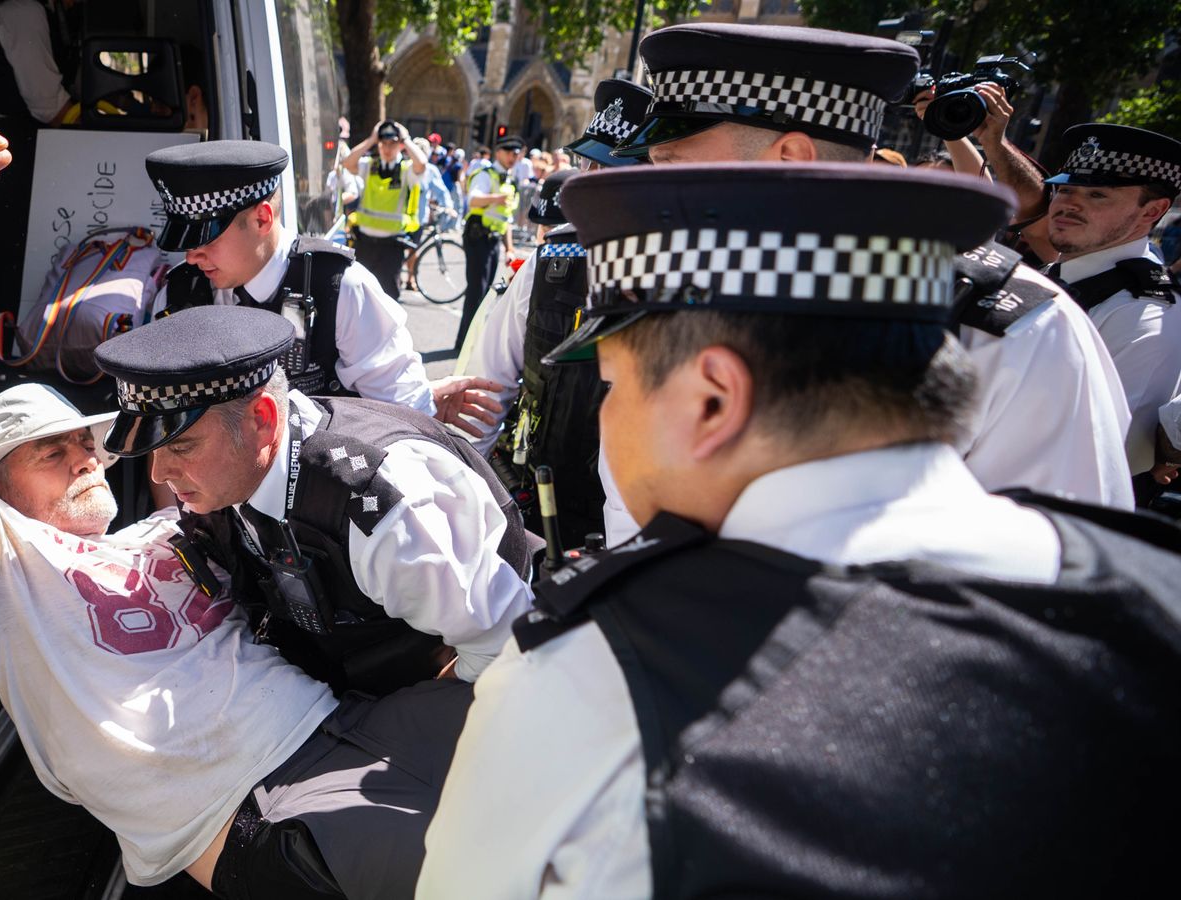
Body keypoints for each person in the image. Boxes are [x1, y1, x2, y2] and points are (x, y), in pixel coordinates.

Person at [421, 160, 1181, 899]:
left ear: (714, 399)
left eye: (611, 385)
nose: (603, 416)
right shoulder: (1154, 590)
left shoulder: (591, 677)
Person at [0, 123, 474, 900]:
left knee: (563, 764)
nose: (86, 455)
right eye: (50, 452)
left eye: (89, 441)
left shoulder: (176, 524)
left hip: (350, 714)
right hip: (268, 805)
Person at [613, 22, 1133, 509]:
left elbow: (1069, 573)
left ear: (790, 158)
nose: (649, 189)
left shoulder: (1018, 331)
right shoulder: (677, 288)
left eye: (671, 165)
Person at [93, 306, 535, 696]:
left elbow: (503, 646)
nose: (159, 474)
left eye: (182, 446)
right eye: (154, 449)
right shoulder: (235, 468)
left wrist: (410, 720)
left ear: (262, 421)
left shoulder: (381, 510)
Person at [146, 140, 502, 436]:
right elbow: (161, 424)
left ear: (261, 218)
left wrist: (421, 405)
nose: (192, 256)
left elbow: (402, 418)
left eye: (206, 239)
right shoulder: (180, 293)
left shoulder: (341, 288)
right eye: (187, 242)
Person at [456, 77, 657, 549]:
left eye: (605, 172)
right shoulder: (550, 264)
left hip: (632, 542)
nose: (584, 187)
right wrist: (469, 517)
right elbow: (486, 394)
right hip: (538, 517)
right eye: (585, 167)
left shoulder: (680, 283)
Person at [1043, 123, 1181, 504]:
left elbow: (1096, 460)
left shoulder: (1143, 315)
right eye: (1066, 188)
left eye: (1098, 194)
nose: (1069, 203)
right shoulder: (1054, 276)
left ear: (1152, 211)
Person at [338, 119, 431, 298]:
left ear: (400, 145)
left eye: (393, 143)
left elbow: (422, 164)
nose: (387, 149)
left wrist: (407, 140)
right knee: (358, 297)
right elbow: (348, 163)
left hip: (391, 247)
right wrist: (372, 139)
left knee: (388, 297)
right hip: (364, 243)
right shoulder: (369, 165)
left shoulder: (405, 170)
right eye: (384, 143)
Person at [459, 135, 524, 349]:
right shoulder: (486, 175)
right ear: (498, 153)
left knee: (486, 291)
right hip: (478, 237)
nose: (513, 157)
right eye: (508, 153)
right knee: (476, 291)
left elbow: (505, 219)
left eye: (516, 154)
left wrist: (510, 248)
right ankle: (465, 342)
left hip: (493, 240)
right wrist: (497, 198)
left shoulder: (509, 179)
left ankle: (472, 340)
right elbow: (474, 199)